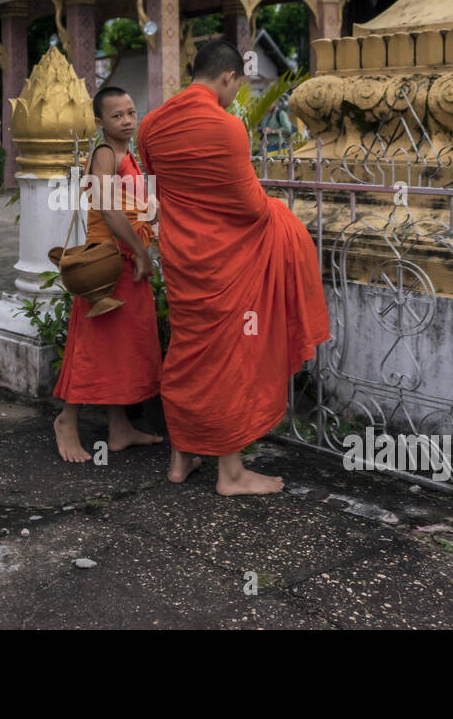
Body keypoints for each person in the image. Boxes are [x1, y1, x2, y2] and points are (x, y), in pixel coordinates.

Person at [138, 42, 329, 495]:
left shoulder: (151, 125)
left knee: (187, 353)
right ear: (227, 77)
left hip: (182, 258)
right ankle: (231, 472)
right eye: (237, 84)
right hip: (225, 261)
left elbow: (160, 186)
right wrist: (280, 212)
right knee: (227, 360)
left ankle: (180, 459)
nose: (234, 93)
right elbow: (249, 205)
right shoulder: (226, 127)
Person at [52, 87, 165, 463]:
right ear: (100, 123)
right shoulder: (104, 154)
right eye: (117, 116)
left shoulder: (127, 155)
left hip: (127, 260)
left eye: (131, 112)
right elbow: (106, 206)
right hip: (109, 265)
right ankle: (67, 421)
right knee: (96, 344)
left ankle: (120, 429)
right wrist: (139, 250)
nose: (127, 121)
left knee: (122, 343)